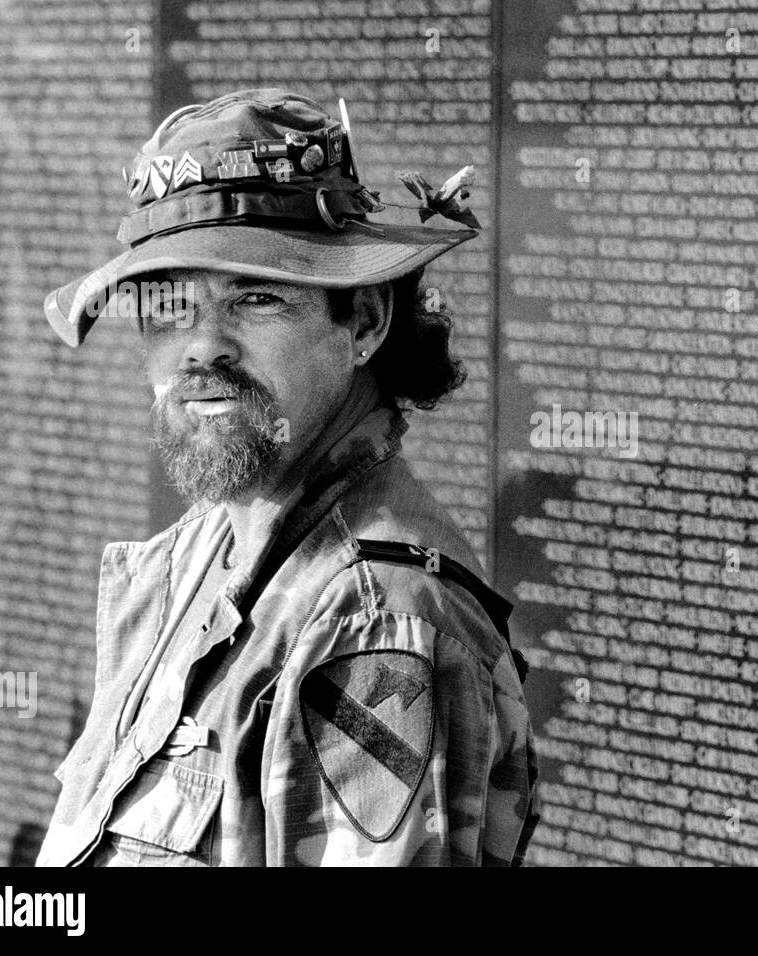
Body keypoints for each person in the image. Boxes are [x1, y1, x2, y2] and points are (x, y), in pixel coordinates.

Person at [34, 88, 538, 866]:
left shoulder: (373, 625)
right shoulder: (212, 547)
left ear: (364, 322)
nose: (203, 349)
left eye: (257, 297)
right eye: (168, 305)